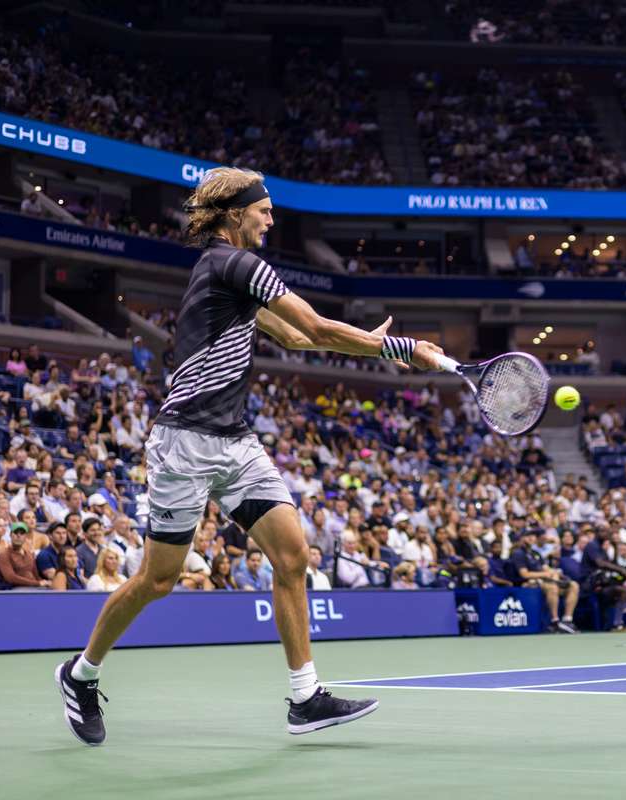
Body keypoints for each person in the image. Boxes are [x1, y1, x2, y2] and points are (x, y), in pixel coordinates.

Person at [54, 167, 446, 745]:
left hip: (235, 442)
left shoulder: (231, 275)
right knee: (157, 580)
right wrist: (397, 348)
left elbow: (294, 337)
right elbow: (313, 323)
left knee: (292, 555)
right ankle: (80, 673)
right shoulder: (233, 263)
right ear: (236, 214)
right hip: (185, 442)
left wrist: (375, 346)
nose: (271, 218)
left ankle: (305, 697)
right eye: (264, 210)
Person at [509, 529, 579, 633]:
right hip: (527, 584)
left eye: (533, 536)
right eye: (527, 536)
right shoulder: (518, 553)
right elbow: (524, 574)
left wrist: (555, 573)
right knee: (552, 587)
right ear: (521, 539)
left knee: (573, 585)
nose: (531, 538)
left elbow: (545, 568)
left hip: (543, 582)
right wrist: (545, 574)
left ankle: (567, 620)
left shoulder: (535, 553)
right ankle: (555, 622)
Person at [0, 523, 50, 589]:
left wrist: (44, 582)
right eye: (16, 533)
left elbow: (36, 575)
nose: (18, 536)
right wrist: (37, 583)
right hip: (15, 589)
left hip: (33, 587)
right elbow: (10, 577)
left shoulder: (29, 554)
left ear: (26, 536)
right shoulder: (4, 555)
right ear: (10, 535)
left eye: (22, 533)